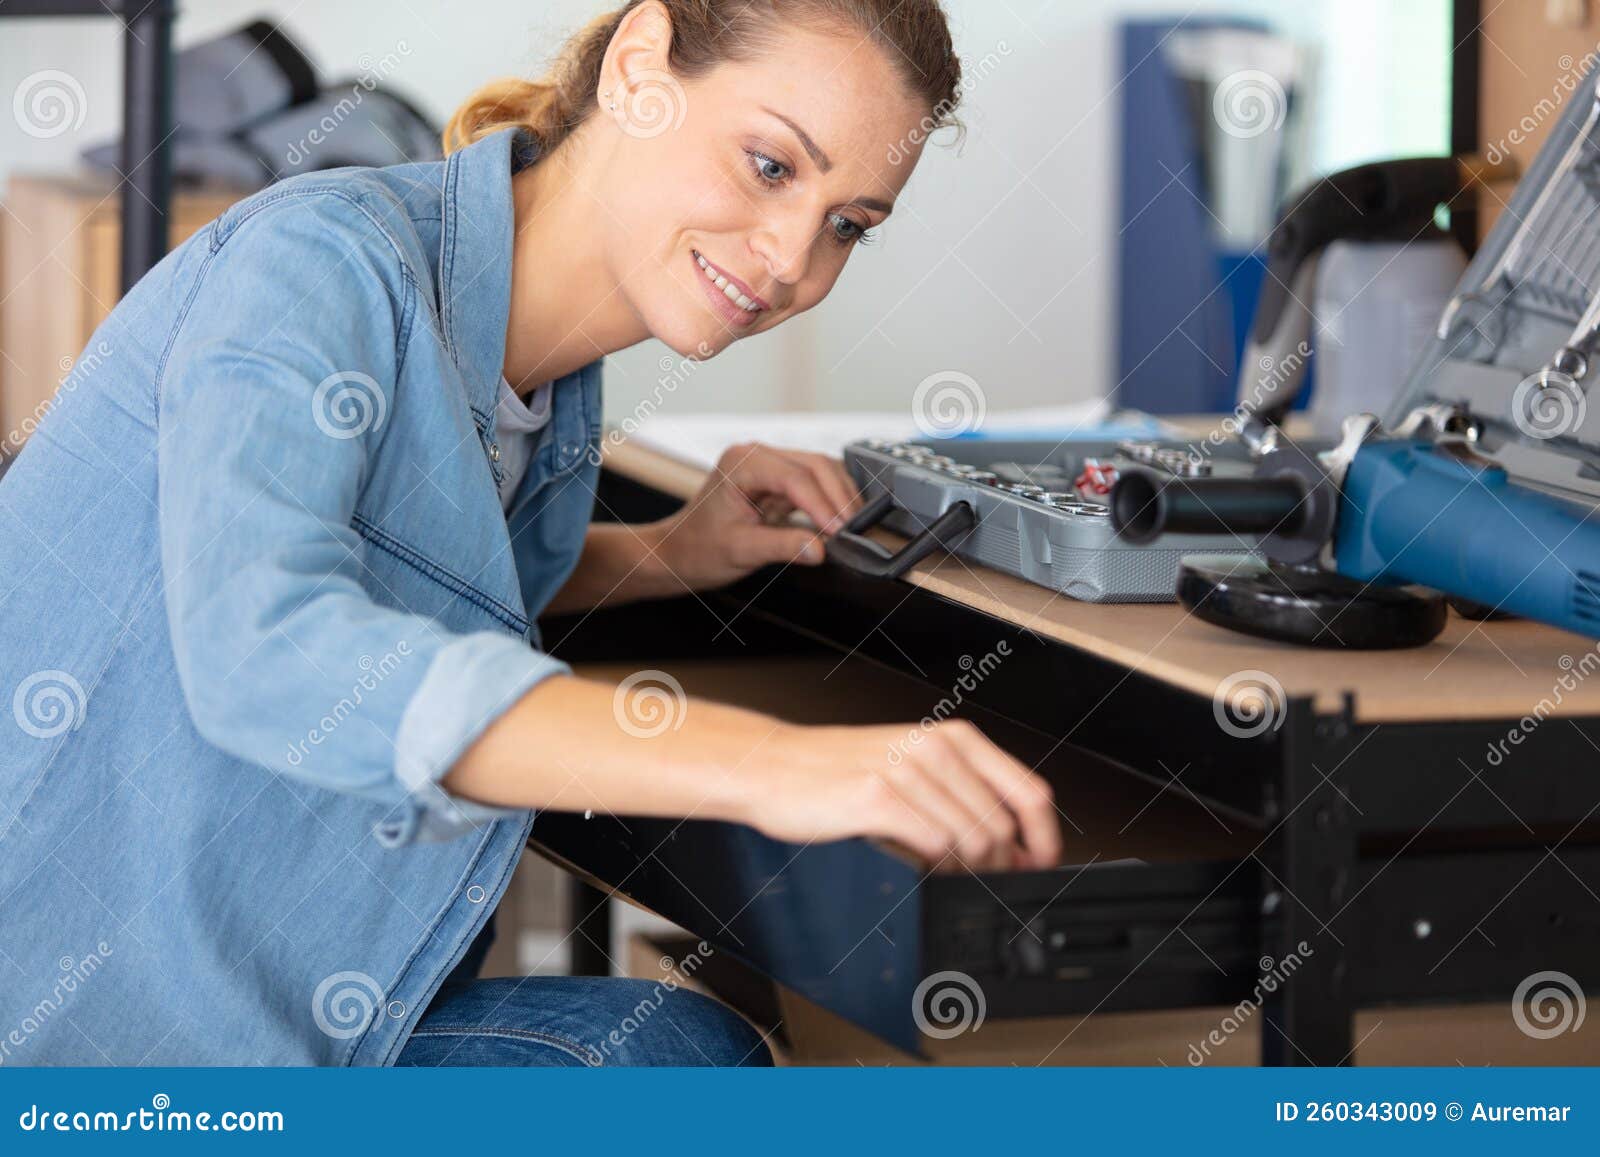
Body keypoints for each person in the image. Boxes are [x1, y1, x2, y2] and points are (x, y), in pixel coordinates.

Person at [0, 0, 1061, 1067]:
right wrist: (773, 763)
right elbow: (265, 648)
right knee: (669, 1066)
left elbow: (420, 567)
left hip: (292, 1010)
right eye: (771, 166)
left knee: (685, 1051)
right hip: (92, 1039)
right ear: (638, 67)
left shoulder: (549, 385)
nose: (793, 257)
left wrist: (674, 549)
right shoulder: (316, 261)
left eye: (847, 225)